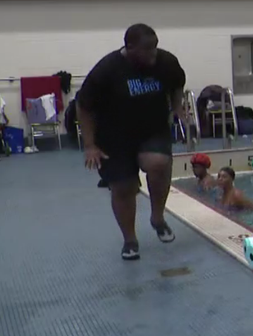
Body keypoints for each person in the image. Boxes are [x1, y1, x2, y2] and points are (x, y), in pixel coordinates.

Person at [77, 23, 187, 260]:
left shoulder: (165, 62)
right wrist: (89, 145)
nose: (153, 54)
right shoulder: (108, 69)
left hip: (152, 129)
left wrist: (177, 106)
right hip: (114, 136)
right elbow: (83, 107)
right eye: (147, 49)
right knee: (123, 187)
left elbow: (178, 83)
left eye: (155, 47)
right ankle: (130, 240)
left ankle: (157, 218)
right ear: (129, 48)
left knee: (158, 162)